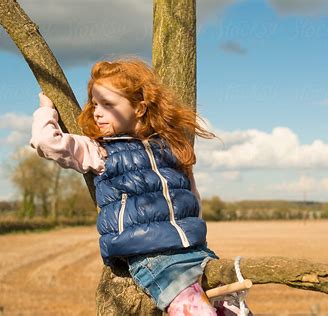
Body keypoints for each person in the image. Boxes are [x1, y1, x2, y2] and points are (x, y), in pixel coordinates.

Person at [29, 57, 223, 315]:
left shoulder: (168, 147)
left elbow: (192, 194)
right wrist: (46, 110)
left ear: (139, 108)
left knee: (232, 304)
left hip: (196, 249)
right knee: (197, 310)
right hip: (151, 256)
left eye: (108, 105)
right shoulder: (98, 150)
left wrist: (199, 233)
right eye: (95, 103)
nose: (97, 112)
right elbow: (46, 142)